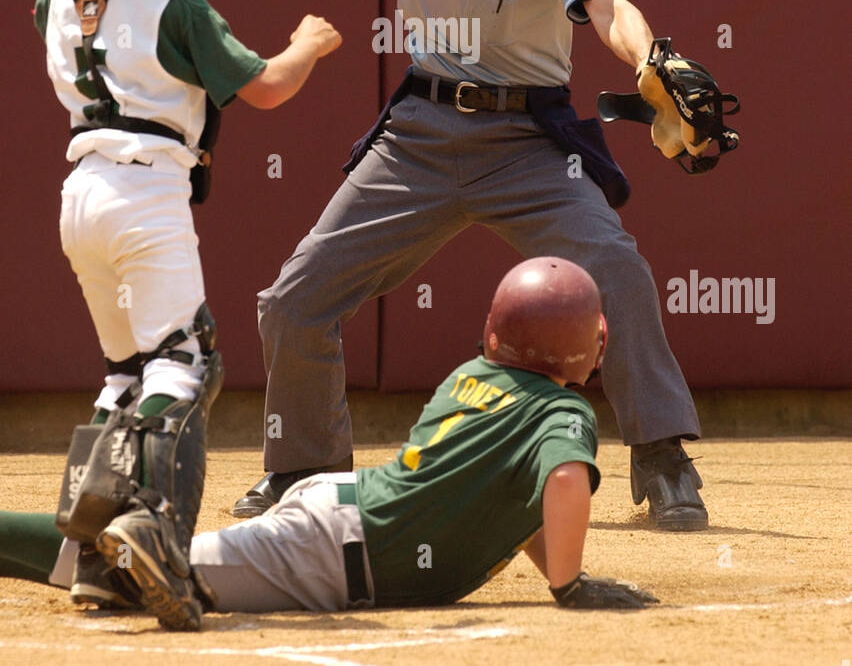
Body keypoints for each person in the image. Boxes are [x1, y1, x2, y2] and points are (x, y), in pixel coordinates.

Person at [232, 0, 712, 533]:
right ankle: (304, 472)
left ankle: (662, 457)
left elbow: (610, 10)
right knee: (294, 300)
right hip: (420, 134)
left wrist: (652, 58)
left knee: (614, 266)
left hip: (527, 143)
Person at [0, 258, 659, 627]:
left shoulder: (472, 377)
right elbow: (565, 481)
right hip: (337, 550)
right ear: (582, 347)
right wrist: (570, 588)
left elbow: (515, 505)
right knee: (138, 571)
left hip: (338, 516)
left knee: (132, 571)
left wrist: (557, 569)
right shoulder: (561, 411)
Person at [32, 0, 341, 620]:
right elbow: (267, 88)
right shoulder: (177, 3)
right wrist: (307, 45)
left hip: (82, 197)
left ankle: (94, 557)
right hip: (146, 194)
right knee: (185, 365)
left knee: (125, 373)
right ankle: (157, 536)